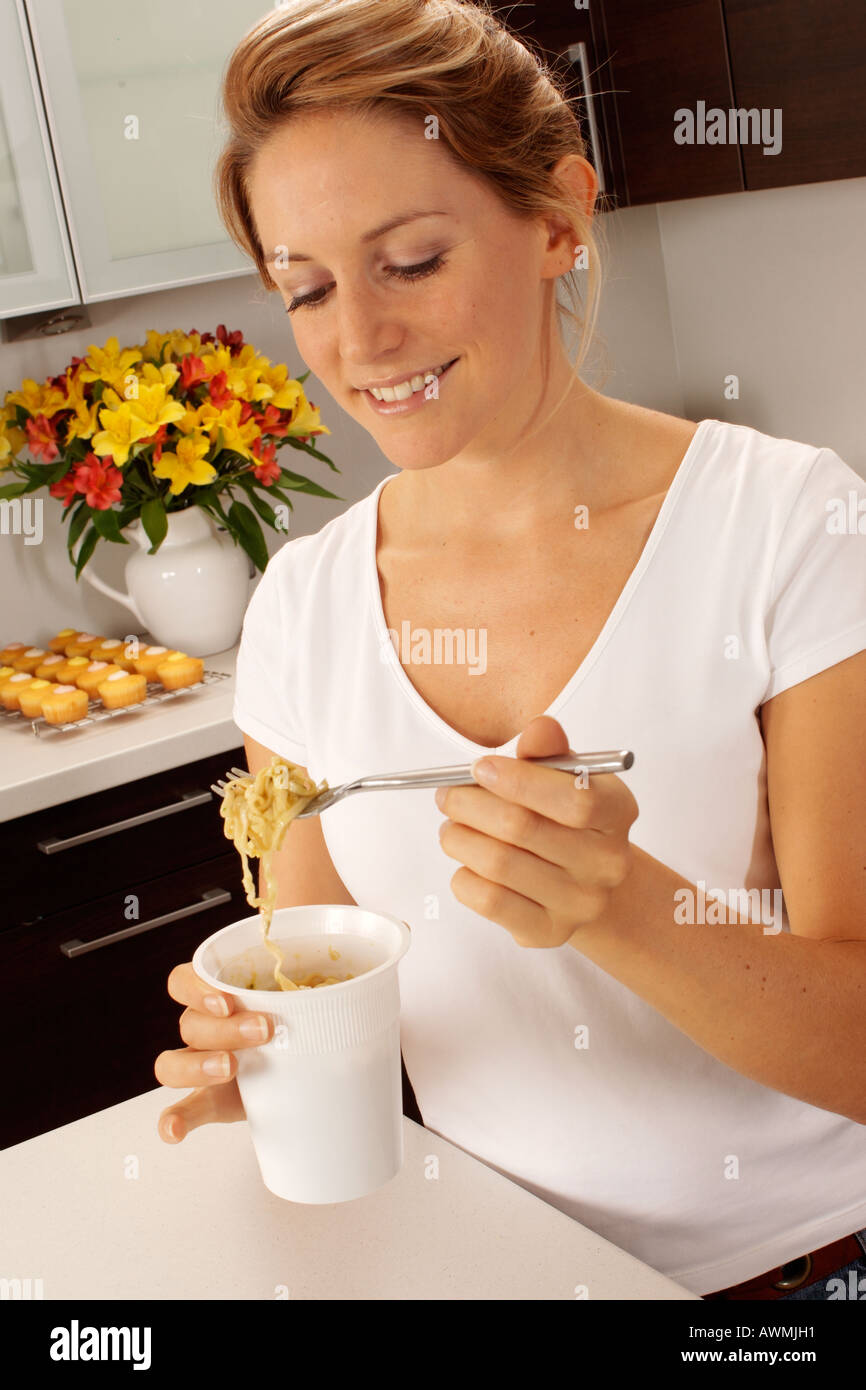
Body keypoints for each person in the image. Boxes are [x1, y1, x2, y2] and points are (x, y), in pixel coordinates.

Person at [154, 0, 866, 1300]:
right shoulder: (302, 607)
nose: (355, 340)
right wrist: (261, 1057)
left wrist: (623, 905)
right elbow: (331, 979)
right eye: (304, 286)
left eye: (410, 261)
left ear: (556, 215)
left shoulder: (790, 526)